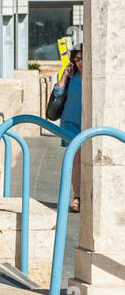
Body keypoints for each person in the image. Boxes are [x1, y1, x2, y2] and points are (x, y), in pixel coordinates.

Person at [51, 47, 84, 212]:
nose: (81, 63)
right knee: (76, 158)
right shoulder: (72, 77)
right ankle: (77, 197)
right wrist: (65, 74)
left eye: (83, 58)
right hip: (71, 122)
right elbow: (58, 92)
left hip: (90, 124)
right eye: (77, 59)